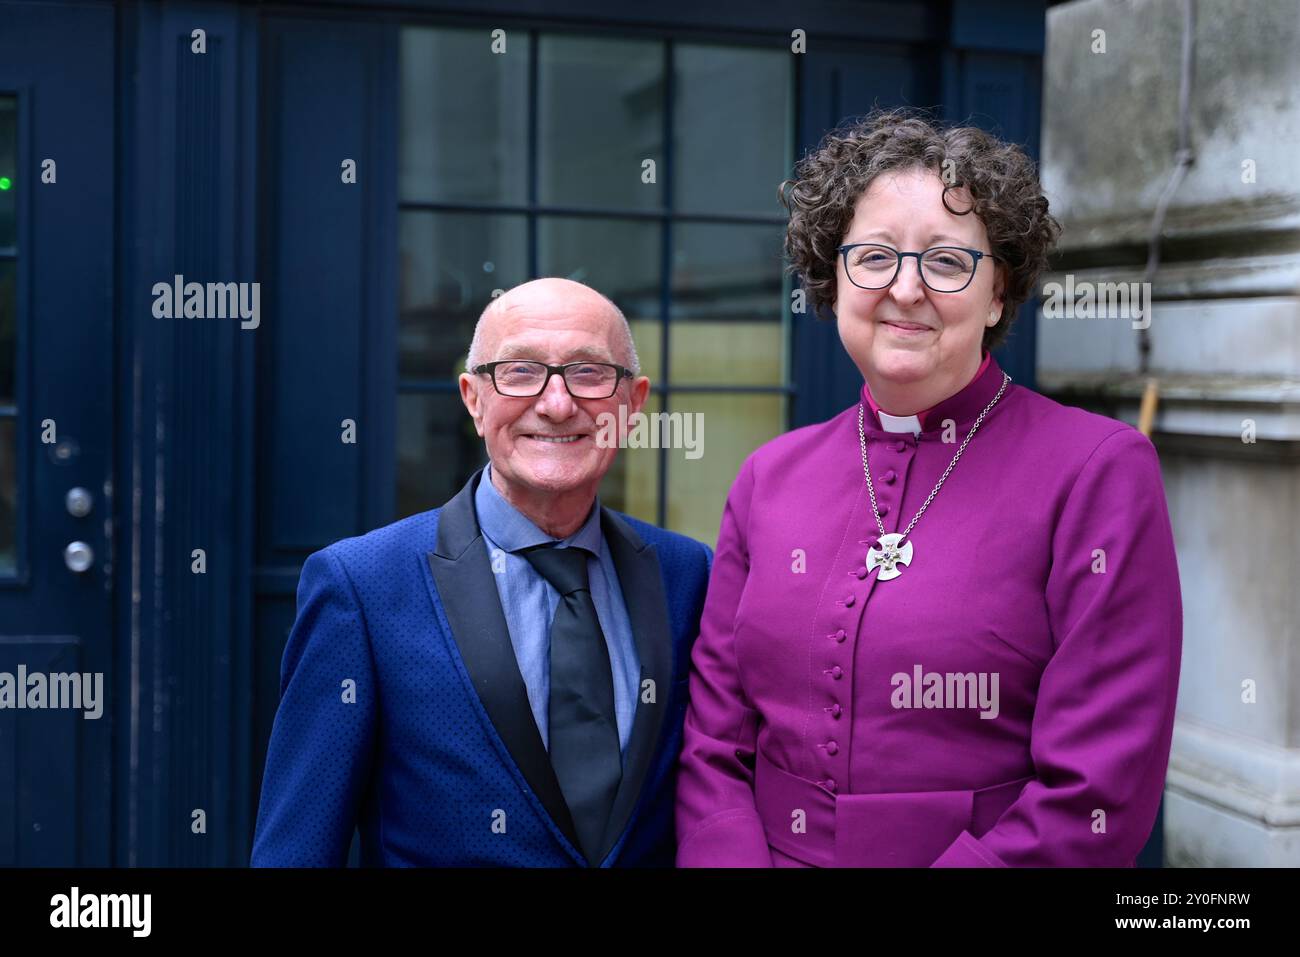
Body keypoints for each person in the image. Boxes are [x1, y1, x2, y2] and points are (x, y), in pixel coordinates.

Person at [675, 109, 1183, 867]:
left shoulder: (1099, 469)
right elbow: (714, 745)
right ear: (832, 275)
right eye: (874, 257)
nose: (905, 289)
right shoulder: (769, 477)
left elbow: (1096, 789)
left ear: (1000, 291)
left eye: (947, 263)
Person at [253, 278, 711, 867]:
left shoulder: (687, 575)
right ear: (473, 399)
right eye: (520, 371)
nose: (557, 404)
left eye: (590, 372)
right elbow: (298, 849)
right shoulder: (362, 588)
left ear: (633, 402)